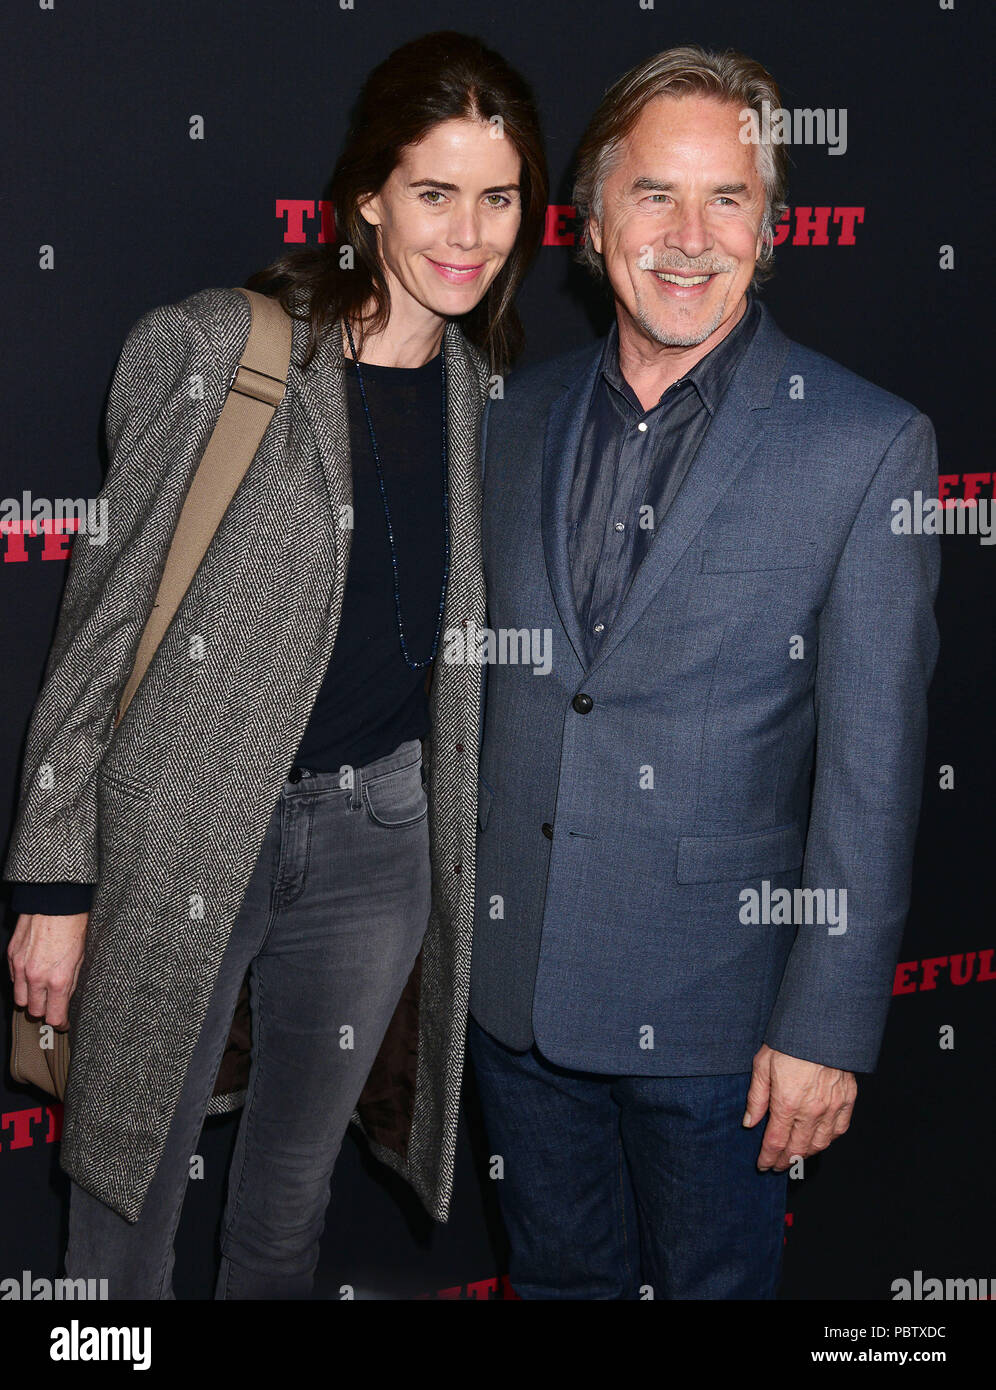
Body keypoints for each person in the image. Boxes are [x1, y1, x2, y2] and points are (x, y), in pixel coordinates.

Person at [3, 29, 546, 1299]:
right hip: (194, 833)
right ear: (367, 198)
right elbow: (97, 631)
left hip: (381, 844)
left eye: (499, 196)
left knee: (288, 1211)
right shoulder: (216, 351)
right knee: (120, 1212)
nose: (468, 232)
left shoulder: (486, 396)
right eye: (433, 191)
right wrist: (53, 880)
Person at [468, 44, 940, 1299]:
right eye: (654, 195)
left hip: (723, 1021)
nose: (689, 236)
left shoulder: (867, 443)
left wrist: (827, 1023)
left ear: (770, 225)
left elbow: (876, 767)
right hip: (513, 1003)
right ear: (592, 219)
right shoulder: (513, 416)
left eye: (726, 198)